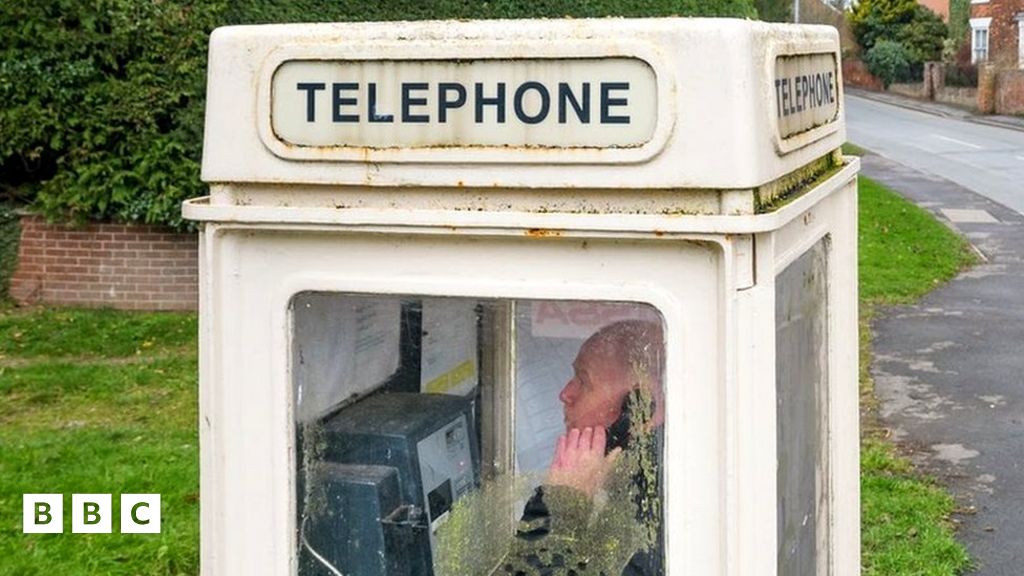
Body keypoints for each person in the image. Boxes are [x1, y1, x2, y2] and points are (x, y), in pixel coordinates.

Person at [505, 319, 665, 576]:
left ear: (638, 406)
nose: (565, 393)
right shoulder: (637, 478)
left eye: (583, 380)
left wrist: (561, 506)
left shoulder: (659, 514)